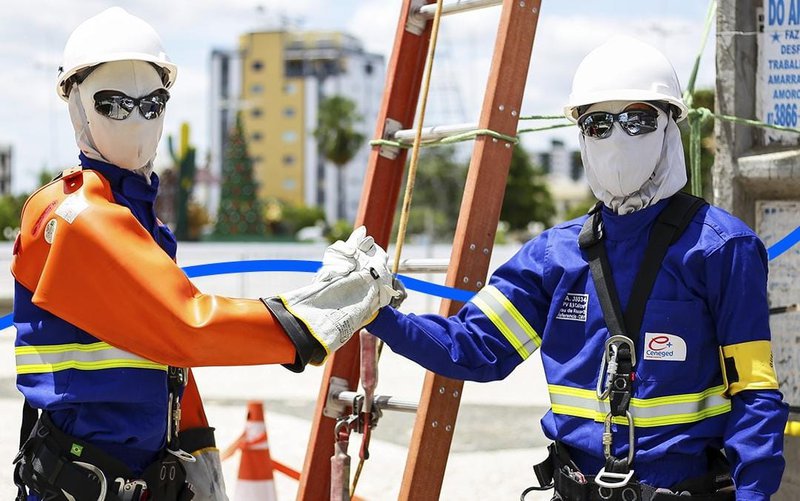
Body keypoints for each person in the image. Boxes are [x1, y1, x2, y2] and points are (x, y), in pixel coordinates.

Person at [363, 37, 789, 501]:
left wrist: (754, 494)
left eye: (638, 119)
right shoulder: (553, 256)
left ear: (670, 126)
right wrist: (375, 312)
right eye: (598, 123)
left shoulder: (722, 248)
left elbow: (755, 393)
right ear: (582, 136)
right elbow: (473, 348)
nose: (618, 138)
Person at [11, 7, 398, 501]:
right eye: (114, 104)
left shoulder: (138, 219)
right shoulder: (76, 217)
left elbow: (168, 359)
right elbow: (186, 327)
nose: (137, 120)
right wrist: (318, 313)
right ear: (77, 105)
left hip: (136, 476)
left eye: (152, 103)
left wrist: (199, 450)